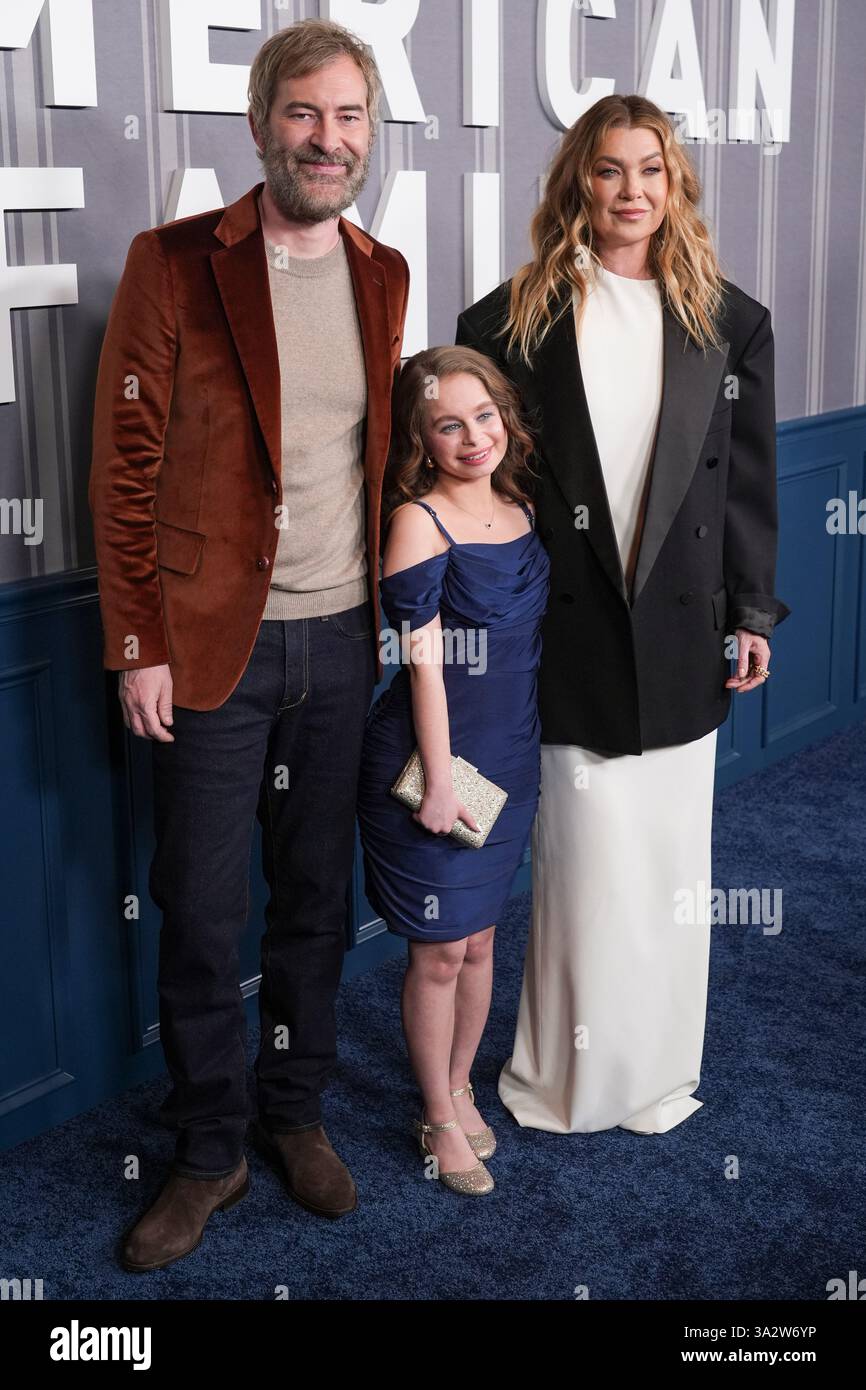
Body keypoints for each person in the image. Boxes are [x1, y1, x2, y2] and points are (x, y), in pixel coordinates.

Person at [88, 19, 409, 1270]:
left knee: (315, 906)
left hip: (343, 642)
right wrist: (138, 644)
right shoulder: (173, 262)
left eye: (347, 119)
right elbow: (125, 468)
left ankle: (294, 1112)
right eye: (303, 115)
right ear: (260, 123)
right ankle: (208, 1146)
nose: (325, 141)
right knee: (204, 913)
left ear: (367, 135)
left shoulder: (381, 271)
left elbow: (373, 457)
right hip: (209, 654)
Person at [456, 94, 789, 1135]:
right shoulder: (504, 322)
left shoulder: (729, 322)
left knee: (667, 864)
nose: (630, 191)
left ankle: (651, 1074)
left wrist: (750, 614)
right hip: (566, 633)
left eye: (650, 170)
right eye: (607, 170)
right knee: (583, 864)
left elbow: (742, 486)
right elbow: (478, 480)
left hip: (685, 629)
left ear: (674, 184)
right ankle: (561, 1077)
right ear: (577, 185)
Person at [357, 347, 550, 1193]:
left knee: (479, 942)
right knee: (438, 953)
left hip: (511, 754)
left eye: (485, 416)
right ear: (421, 438)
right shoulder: (416, 523)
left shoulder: (521, 506)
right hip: (431, 759)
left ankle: (460, 1084)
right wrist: (439, 781)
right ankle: (435, 1114)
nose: (474, 437)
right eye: (448, 424)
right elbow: (423, 671)